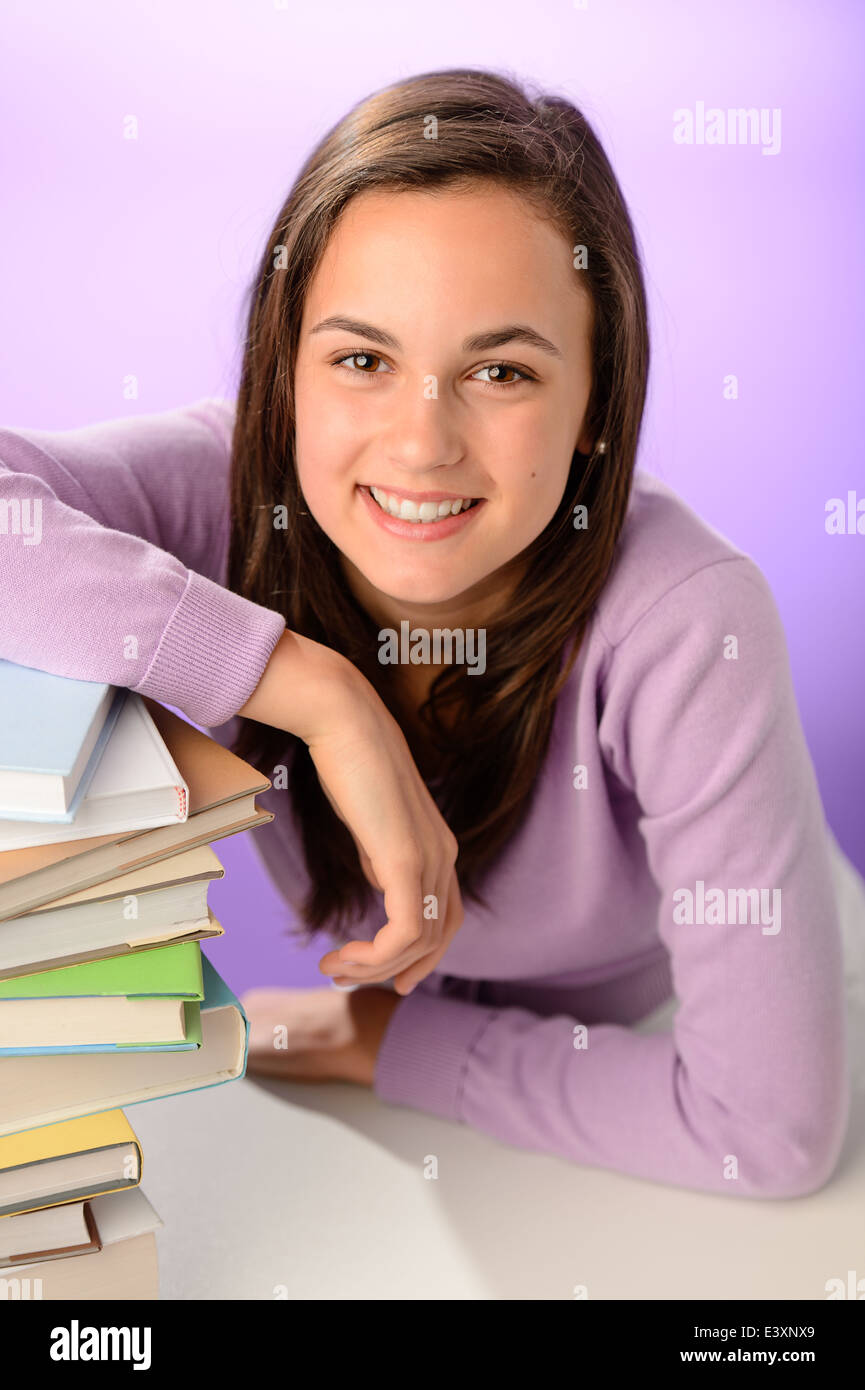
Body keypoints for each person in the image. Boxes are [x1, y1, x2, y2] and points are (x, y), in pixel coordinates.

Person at [0, 68, 850, 1198]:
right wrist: (313, 690)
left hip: (695, 1019)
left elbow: (769, 1131)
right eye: (361, 359)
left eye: (500, 371)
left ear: (597, 403)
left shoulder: (688, 620)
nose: (421, 443)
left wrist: (386, 1044)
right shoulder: (234, 492)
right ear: (286, 372)